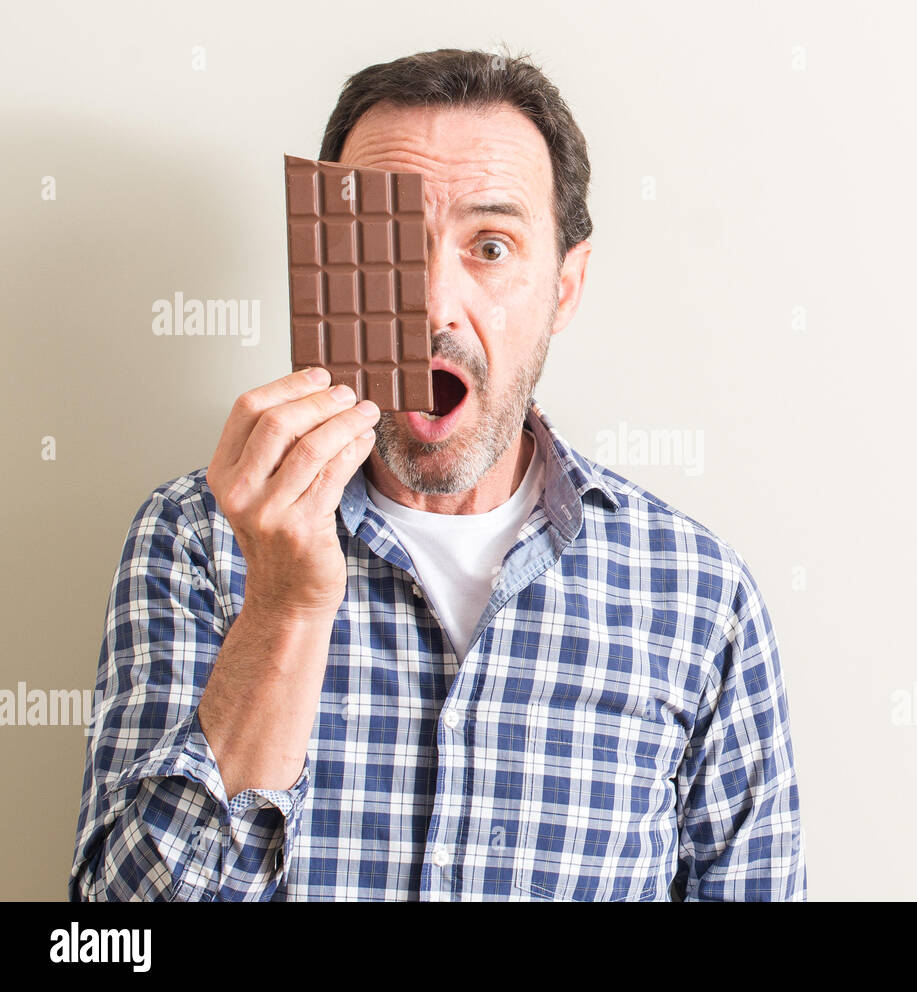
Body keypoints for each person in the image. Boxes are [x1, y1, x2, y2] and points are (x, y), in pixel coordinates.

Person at [70, 47, 805, 901]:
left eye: (491, 246)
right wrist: (281, 609)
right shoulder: (196, 538)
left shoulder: (700, 598)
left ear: (565, 287)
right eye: (384, 245)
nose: (430, 306)